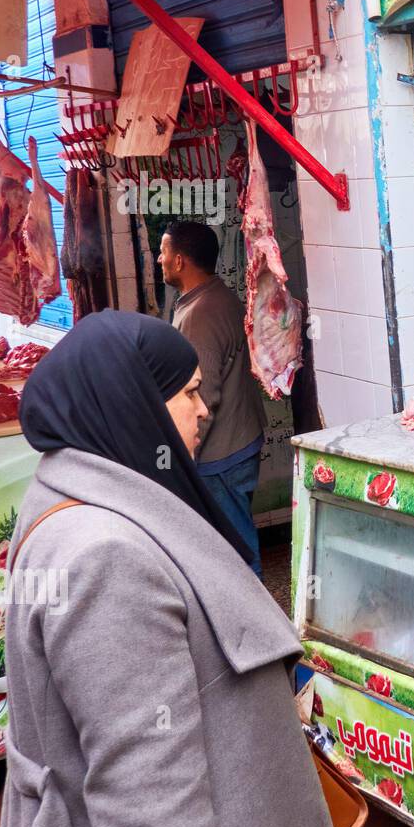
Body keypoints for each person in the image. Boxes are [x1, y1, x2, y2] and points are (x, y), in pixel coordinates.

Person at [0, 310, 347, 827]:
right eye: (186, 393)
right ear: (132, 403)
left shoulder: (74, 490)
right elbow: (151, 812)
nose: (205, 409)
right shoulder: (106, 559)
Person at [159, 219, 267, 575]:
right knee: (235, 538)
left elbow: (204, 398)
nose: (159, 260)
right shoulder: (214, 297)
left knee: (235, 548)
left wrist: (183, 464)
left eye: (163, 252)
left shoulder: (201, 315)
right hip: (238, 441)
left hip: (222, 453)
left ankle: (256, 625)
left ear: (179, 261)